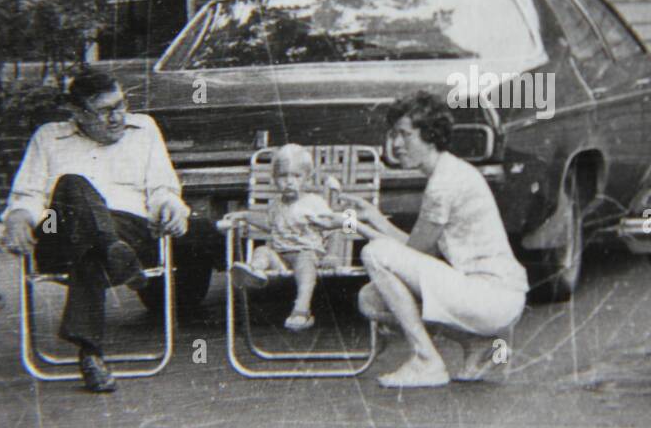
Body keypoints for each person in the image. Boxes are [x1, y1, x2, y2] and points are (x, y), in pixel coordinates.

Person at [1, 67, 220, 392]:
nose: (117, 116)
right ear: (76, 112)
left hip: (130, 231)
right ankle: (112, 250)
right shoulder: (49, 137)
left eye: (120, 105)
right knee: (72, 184)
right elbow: (28, 196)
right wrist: (18, 215)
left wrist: (171, 207)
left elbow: (162, 188)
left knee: (92, 252)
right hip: (60, 230)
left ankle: (90, 352)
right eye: (104, 111)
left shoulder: (144, 129)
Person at [341, 92, 528, 388]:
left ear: (429, 135)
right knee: (371, 299)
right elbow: (415, 252)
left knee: (375, 253)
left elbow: (412, 252)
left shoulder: (443, 184)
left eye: (404, 135)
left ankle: (426, 360)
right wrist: (373, 217)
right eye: (394, 135)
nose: (396, 145)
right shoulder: (449, 171)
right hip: (486, 295)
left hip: (492, 297)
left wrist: (354, 226)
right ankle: (477, 345)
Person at [226, 143, 338, 331]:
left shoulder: (314, 203)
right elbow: (269, 224)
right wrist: (245, 215)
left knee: (305, 264)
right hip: (280, 257)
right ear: (274, 179)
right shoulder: (275, 204)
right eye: (283, 176)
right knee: (262, 250)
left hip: (307, 254)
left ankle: (301, 309)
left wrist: (333, 254)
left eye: (296, 176)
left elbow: (337, 225)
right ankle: (255, 272)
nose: (289, 181)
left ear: (307, 179)